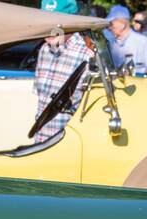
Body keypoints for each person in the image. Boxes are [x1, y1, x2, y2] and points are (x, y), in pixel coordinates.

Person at [33, 0, 97, 142]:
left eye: (55, 21)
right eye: (44, 20)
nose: (47, 27)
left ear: (70, 22)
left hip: (69, 142)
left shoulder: (88, 54)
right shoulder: (44, 50)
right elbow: (40, 97)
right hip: (40, 138)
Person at [105, 4, 147, 73]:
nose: (109, 28)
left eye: (111, 24)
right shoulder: (109, 43)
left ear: (122, 24)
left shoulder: (143, 41)